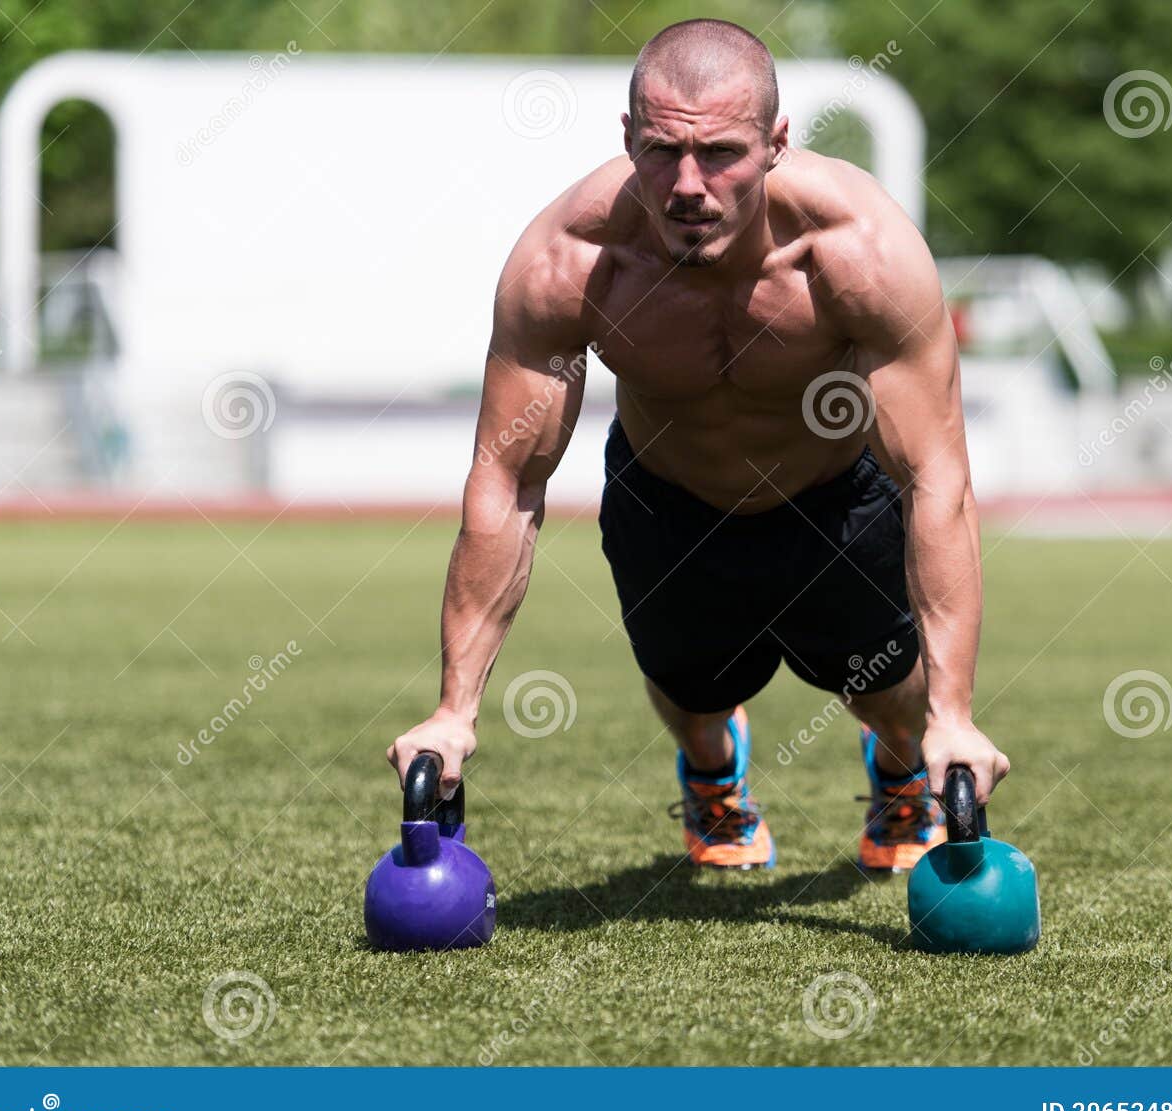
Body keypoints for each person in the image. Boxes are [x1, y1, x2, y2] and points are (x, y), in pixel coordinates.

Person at [387, 18, 1008, 872]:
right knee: (690, 693)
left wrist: (957, 714)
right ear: (628, 138)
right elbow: (507, 482)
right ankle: (716, 777)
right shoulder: (569, 262)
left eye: (720, 152)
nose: (687, 184)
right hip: (669, 499)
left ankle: (901, 770)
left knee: (888, 696)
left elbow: (938, 477)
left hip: (833, 497)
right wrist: (454, 708)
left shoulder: (859, 253)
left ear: (777, 143)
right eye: (660, 150)